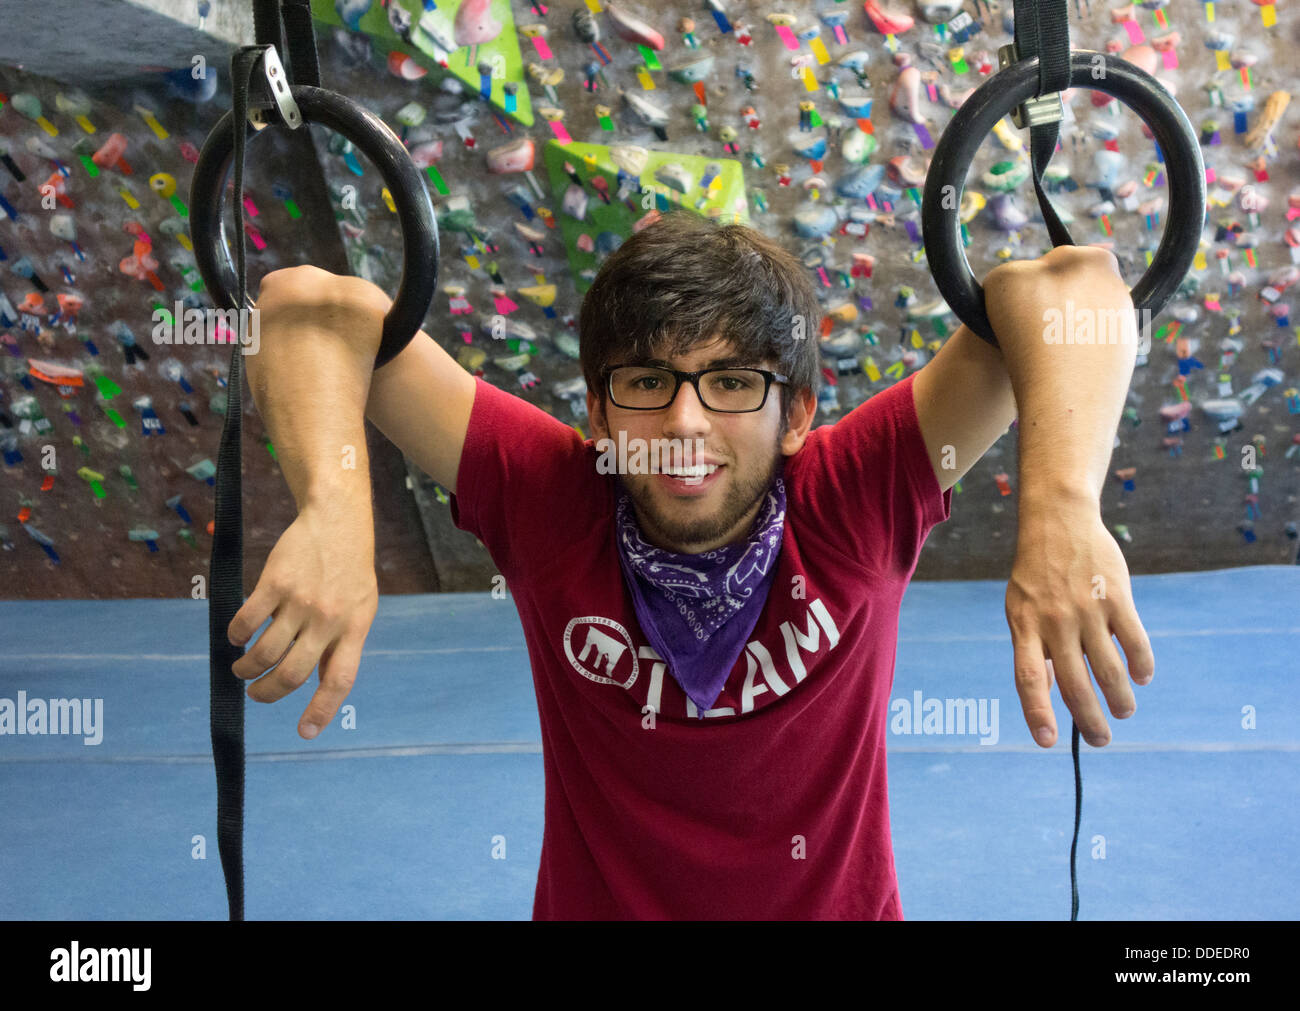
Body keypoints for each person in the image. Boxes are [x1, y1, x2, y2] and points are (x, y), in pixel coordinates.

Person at [227, 211, 1155, 919]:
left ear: (794, 414)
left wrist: (1065, 507)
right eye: (646, 381)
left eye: (731, 381)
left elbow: (1070, 284)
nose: (684, 423)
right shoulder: (556, 497)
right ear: (599, 412)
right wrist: (334, 505)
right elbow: (307, 305)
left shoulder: (854, 496)